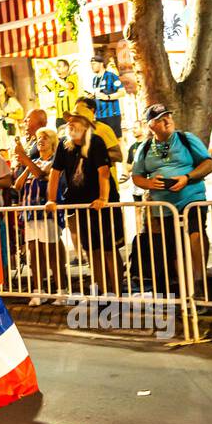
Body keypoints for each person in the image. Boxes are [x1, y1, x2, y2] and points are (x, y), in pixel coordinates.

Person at [131, 105, 212, 297]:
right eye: (161, 118)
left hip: (191, 197)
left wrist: (187, 177)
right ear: (151, 125)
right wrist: (150, 183)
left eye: (168, 116)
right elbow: (136, 177)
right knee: (174, 245)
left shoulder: (186, 139)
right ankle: (187, 290)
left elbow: (209, 163)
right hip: (164, 206)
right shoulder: (144, 148)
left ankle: (199, 279)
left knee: (195, 233)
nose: (167, 120)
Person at [46, 112, 123, 295]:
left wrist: (103, 198)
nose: (70, 125)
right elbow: (55, 173)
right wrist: (51, 199)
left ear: (85, 126)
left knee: (109, 248)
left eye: (75, 122)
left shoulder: (95, 142)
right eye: (69, 123)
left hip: (102, 202)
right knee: (91, 248)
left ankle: (118, 291)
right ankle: (102, 290)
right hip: (81, 203)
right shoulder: (65, 145)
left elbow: (103, 172)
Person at [16, 127, 65, 301]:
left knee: (52, 252)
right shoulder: (33, 161)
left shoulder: (55, 161)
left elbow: (43, 175)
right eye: (38, 138)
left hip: (47, 214)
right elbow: (18, 184)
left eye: (44, 138)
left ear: (52, 141)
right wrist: (26, 163)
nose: (40, 141)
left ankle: (61, 289)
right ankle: (38, 290)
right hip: (31, 213)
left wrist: (25, 159)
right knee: (34, 253)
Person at [87, 56, 125, 139]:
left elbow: (122, 92)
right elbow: (98, 94)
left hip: (112, 115)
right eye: (91, 64)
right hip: (99, 116)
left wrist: (107, 97)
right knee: (103, 141)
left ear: (101, 64)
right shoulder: (95, 79)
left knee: (116, 140)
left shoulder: (111, 76)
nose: (92, 66)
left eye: (94, 64)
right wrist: (92, 97)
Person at [0, 81, 26, 152]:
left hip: (10, 128)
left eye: (0, 88)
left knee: (12, 148)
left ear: (5, 89)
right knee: (1, 151)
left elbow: (20, 115)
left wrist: (6, 114)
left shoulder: (11, 101)